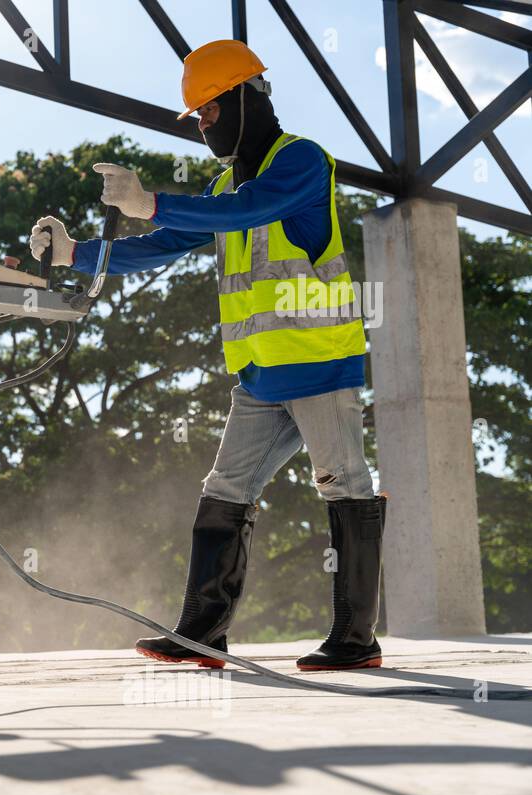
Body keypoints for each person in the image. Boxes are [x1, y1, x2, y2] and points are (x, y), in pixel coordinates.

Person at [29, 39, 386, 672]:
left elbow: (257, 208)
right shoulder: (227, 186)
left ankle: (356, 640)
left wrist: (149, 200)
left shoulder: (302, 161)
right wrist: (73, 254)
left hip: (317, 366)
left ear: (241, 99)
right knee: (225, 490)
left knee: (344, 487)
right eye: (195, 118)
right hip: (258, 375)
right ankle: (202, 634)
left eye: (206, 113)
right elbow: (164, 244)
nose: (201, 127)